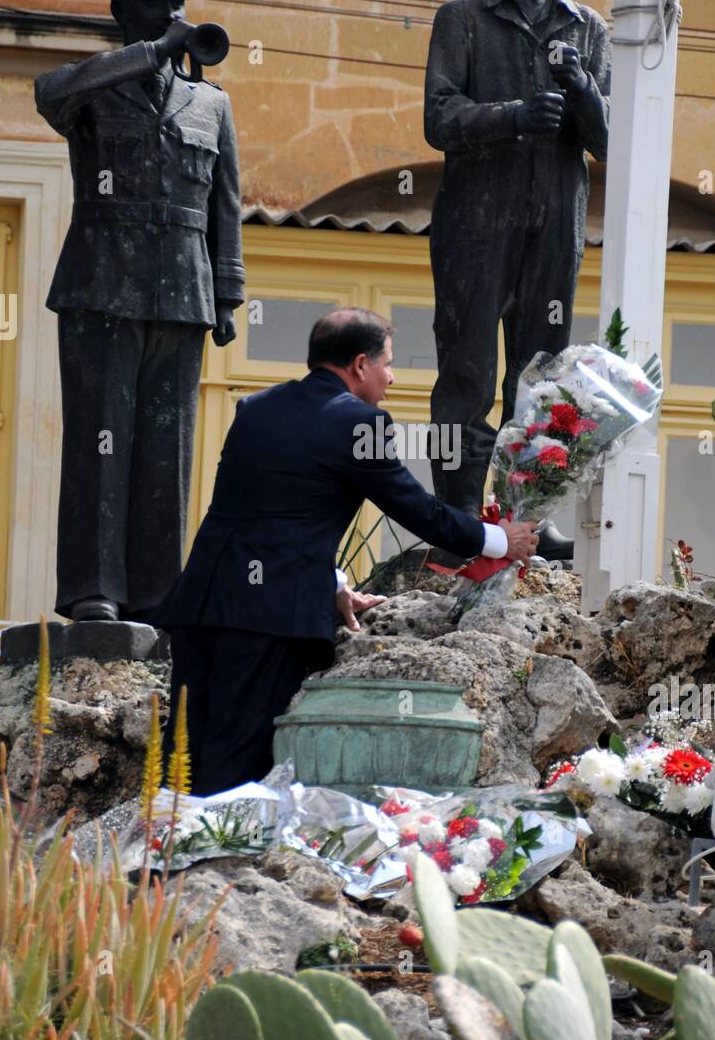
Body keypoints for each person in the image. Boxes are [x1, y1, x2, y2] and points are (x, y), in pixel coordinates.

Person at [154, 308, 538, 795]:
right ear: (360, 364)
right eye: (388, 364)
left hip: (203, 604)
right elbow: (415, 509)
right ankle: (213, 868)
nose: (392, 378)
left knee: (178, 763)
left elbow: (266, 510)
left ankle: (160, 866)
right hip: (268, 619)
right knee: (235, 770)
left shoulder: (256, 407)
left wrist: (331, 581)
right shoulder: (360, 422)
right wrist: (502, 539)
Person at [34, 0, 243, 623]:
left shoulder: (210, 105)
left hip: (182, 292)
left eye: (177, 4)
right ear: (121, 5)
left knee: (166, 448)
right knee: (100, 439)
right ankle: (93, 588)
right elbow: (53, 93)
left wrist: (228, 292)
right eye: (154, 1)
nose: (169, 14)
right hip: (102, 285)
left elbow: (225, 205)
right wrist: (150, 53)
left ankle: (155, 592)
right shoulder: (93, 87)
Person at [424, 0, 611, 558]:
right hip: (475, 225)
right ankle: (457, 520)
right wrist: (516, 115)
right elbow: (439, 119)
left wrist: (583, 88)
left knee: (542, 374)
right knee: (466, 374)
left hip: (556, 225)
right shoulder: (463, 19)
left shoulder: (589, 30)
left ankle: (531, 516)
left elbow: (611, 140)